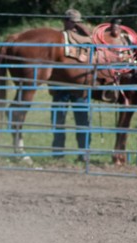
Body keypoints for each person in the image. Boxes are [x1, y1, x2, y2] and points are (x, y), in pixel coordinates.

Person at [53, 9, 91, 161]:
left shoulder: (85, 39)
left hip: (78, 88)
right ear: (66, 21)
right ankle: (58, 153)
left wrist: (84, 30)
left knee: (82, 121)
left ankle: (84, 153)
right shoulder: (58, 40)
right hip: (61, 86)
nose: (75, 26)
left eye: (77, 22)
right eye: (72, 22)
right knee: (58, 120)